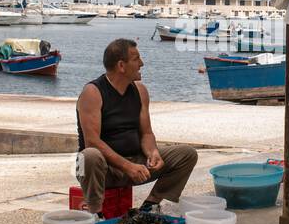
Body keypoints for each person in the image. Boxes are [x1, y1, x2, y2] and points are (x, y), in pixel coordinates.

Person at [75, 38, 198, 214]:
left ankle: (151, 205)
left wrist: (152, 153)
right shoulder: (92, 93)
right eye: (136, 59)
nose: (142, 63)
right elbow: (92, 142)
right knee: (89, 155)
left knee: (187, 154)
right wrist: (127, 167)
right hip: (101, 169)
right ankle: (94, 213)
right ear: (121, 66)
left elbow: (146, 133)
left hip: (134, 162)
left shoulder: (140, 91)